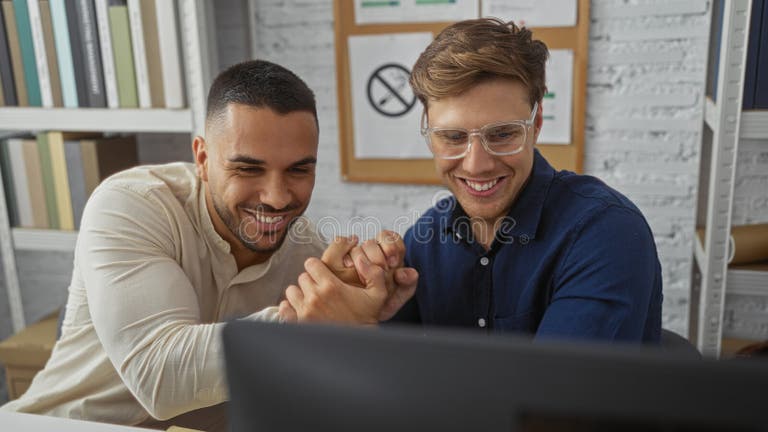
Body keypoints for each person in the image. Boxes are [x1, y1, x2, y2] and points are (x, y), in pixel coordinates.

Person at [1, 60, 416, 430]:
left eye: (298, 169)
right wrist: (304, 325)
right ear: (201, 158)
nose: (276, 196)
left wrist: (361, 318)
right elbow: (161, 379)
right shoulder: (131, 205)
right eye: (247, 168)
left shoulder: (307, 252)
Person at [284, 18, 663, 342]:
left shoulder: (605, 233)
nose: (477, 164)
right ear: (430, 136)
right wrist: (363, 312)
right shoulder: (424, 241)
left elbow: (555, 408)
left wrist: (359, 339)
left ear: (536, 125)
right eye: (452, 137)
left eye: (502, 134)